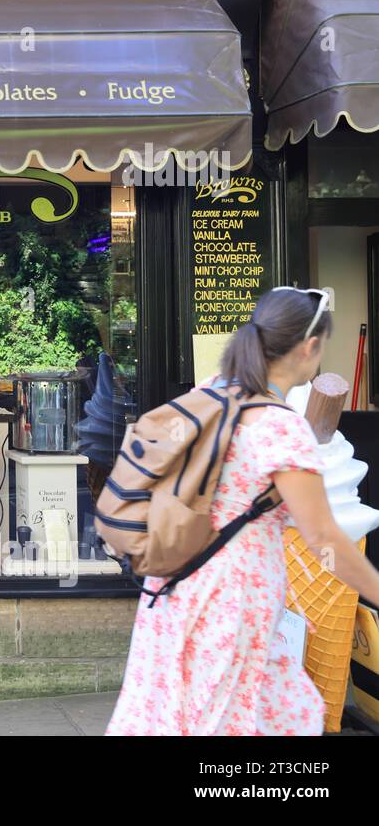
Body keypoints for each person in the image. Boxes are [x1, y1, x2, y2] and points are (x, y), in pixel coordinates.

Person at [106, 287, 379, 735]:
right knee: (230, 718)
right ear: (310, 347)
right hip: (232, 600)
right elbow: (324, 541)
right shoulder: (279, 425)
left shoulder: (209, 394)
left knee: (171, 713)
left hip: (173, 587)